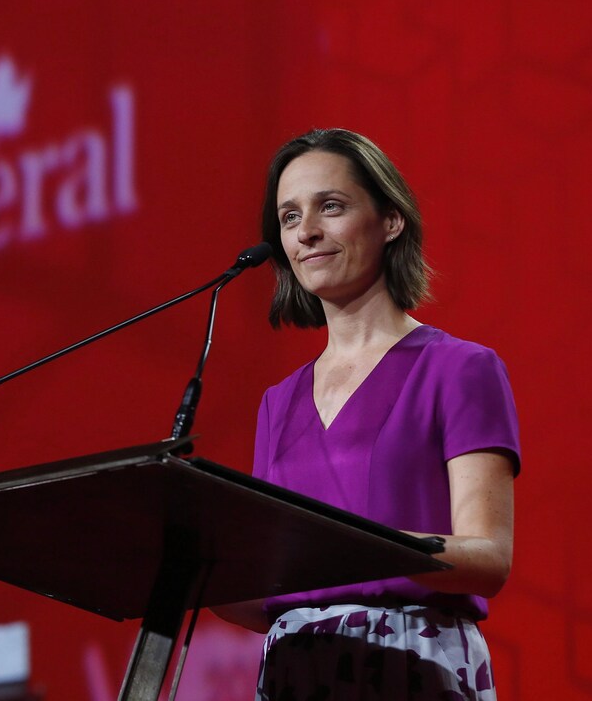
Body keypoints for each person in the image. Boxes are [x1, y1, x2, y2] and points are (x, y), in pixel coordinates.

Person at [215, 128, 519, 700]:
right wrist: (192, 570)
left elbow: (488, 558)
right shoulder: (277, 402)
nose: (306, 232)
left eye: (330, 207)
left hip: (411, 662)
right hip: (294, 669)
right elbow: (271, 595)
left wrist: (345, 550)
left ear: (391, 220)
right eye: (288, 217)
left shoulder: (460, 368)